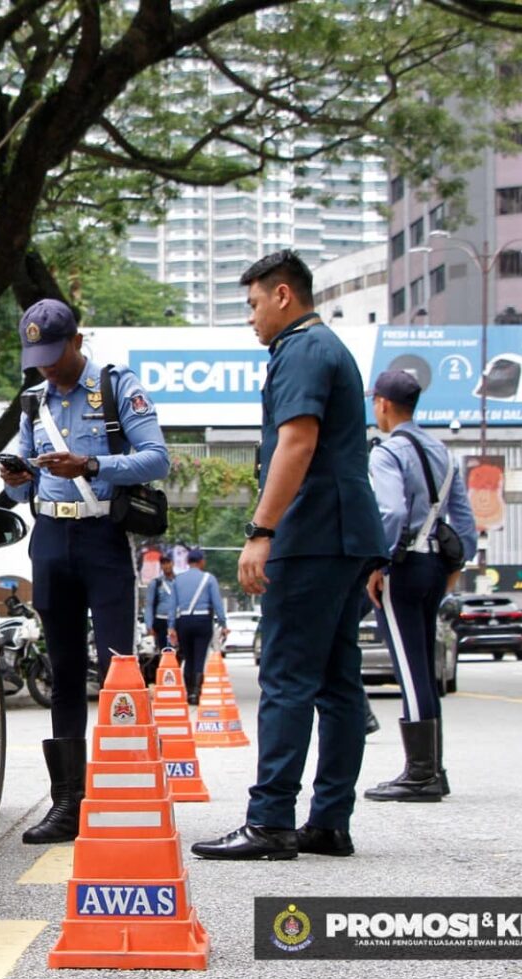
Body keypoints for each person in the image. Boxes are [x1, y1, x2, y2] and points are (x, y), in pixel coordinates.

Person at [191, 250, 385, 862]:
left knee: (285, 676)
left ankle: (270, 820)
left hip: (313, 534)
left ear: (282, 295)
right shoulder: (330, 348)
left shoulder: (301, 349)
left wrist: (260, 530)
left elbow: (296, 443)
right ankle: (329, 821)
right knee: (336, 681)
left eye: (252, 305)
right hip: (347, 534)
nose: (250, 319)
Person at [0, 297, 170, 844]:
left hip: (102, 536)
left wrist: (92, 464)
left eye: (54, 353)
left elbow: (157, 457)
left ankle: (127, 792)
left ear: (77, 340)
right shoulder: (32, 404)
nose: (47, 366)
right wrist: (16, 479)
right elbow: (20, 471)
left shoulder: (118, 387)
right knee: (64, 670)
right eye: (37, 356)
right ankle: (67, 804)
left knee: (121, 667)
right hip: (51, 537)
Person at [365, 369, 478, 802]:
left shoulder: (388, 452)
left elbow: (390, 512)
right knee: (424, 668)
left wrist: (377, 561)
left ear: (383, 404)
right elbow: (464, 520)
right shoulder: (441, 451)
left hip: (403, 565)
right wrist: (456, 564)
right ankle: (434, 769)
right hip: (435, 566)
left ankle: (421, 773)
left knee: (409, 669)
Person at [167, 549, 228, 704]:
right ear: (201, 561)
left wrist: (171, 627)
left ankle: (188, 692)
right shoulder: (209, 579)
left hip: (184, 622)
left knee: (188, 657)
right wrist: (223, 623)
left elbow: (172, 606)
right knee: (200, 656)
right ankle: (196, 692)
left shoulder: (177, 581)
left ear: (188, 562)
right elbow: (217, 603)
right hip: (203, 621)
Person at [144, 549, 177, 657]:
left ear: (173, 563)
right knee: (165, 651)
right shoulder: (156, 583)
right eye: (163, 563)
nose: (166, 566)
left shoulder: (179, 581)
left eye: (168, 562)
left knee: (179, 651)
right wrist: (149, 625)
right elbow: (149, 604)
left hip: (177, 620)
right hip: (161, 621)